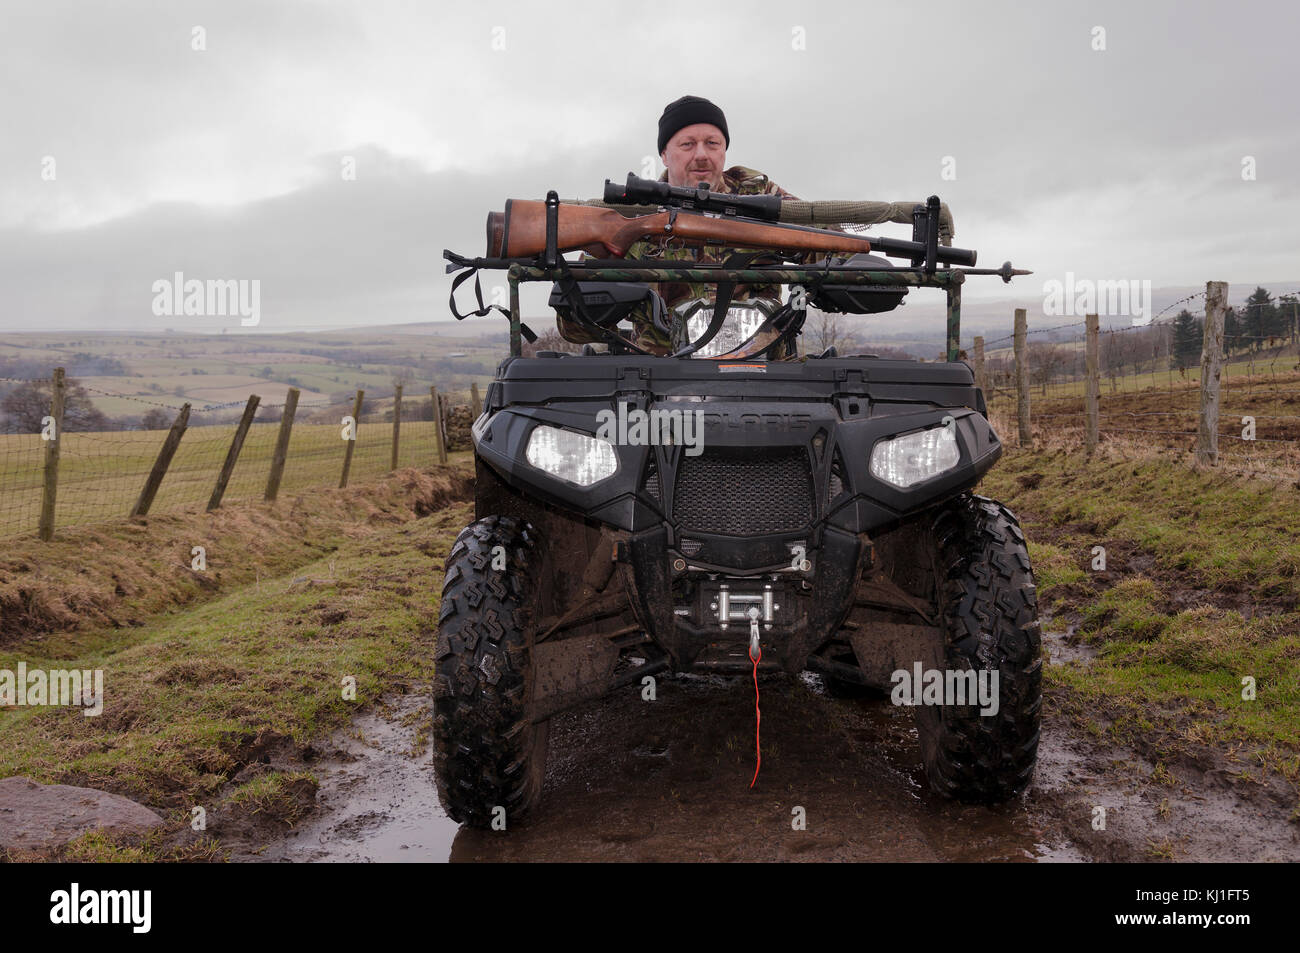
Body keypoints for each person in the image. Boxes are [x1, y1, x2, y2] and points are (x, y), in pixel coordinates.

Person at [559, 95, 804, 357]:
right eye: (687, 144)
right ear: (664, 154)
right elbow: (574, 327)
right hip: (660, 376)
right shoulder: (633, 216)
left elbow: (827, 242)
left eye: (712, 143)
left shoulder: (758, 196)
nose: (701, 155)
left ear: (724, 150)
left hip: (762, 369)